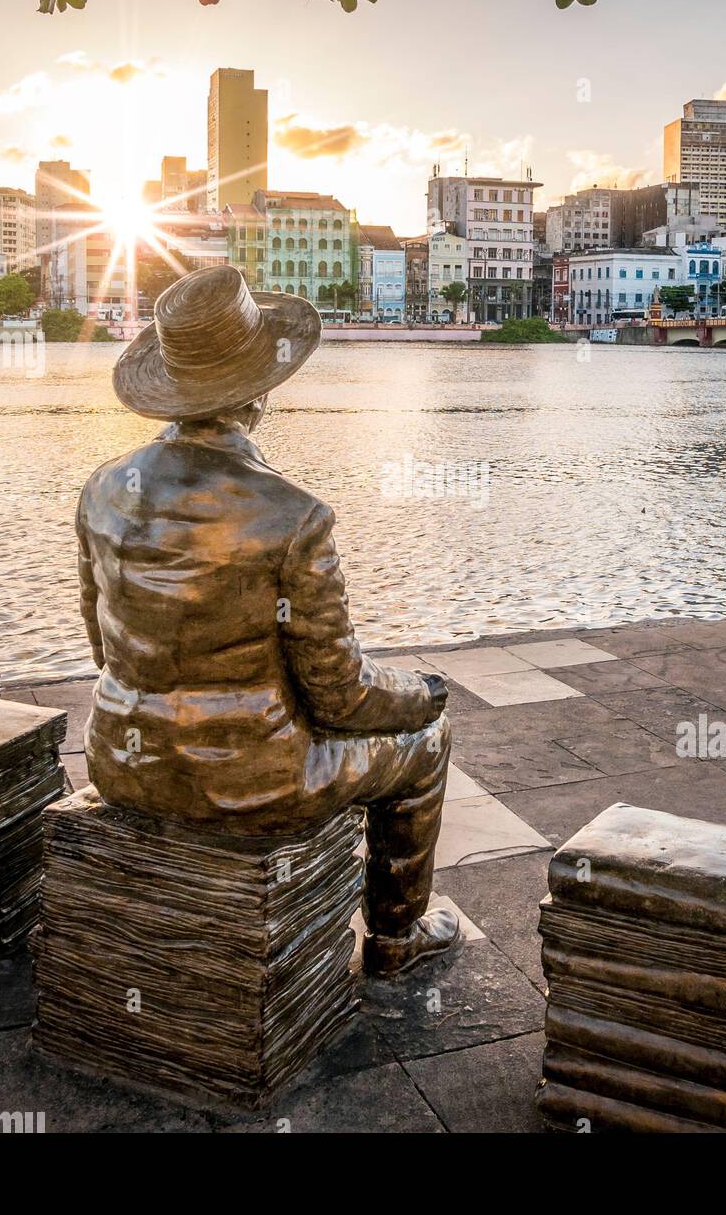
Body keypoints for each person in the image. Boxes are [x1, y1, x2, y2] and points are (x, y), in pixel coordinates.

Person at [76, 266, 459, 977]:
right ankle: (395, 943)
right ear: (259, 394)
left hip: (121, 760)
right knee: (428, 742)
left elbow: (103, 647)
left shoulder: (103, 488)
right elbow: (341, 697)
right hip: (251, 781)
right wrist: (421, 694)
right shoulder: (292, 515)